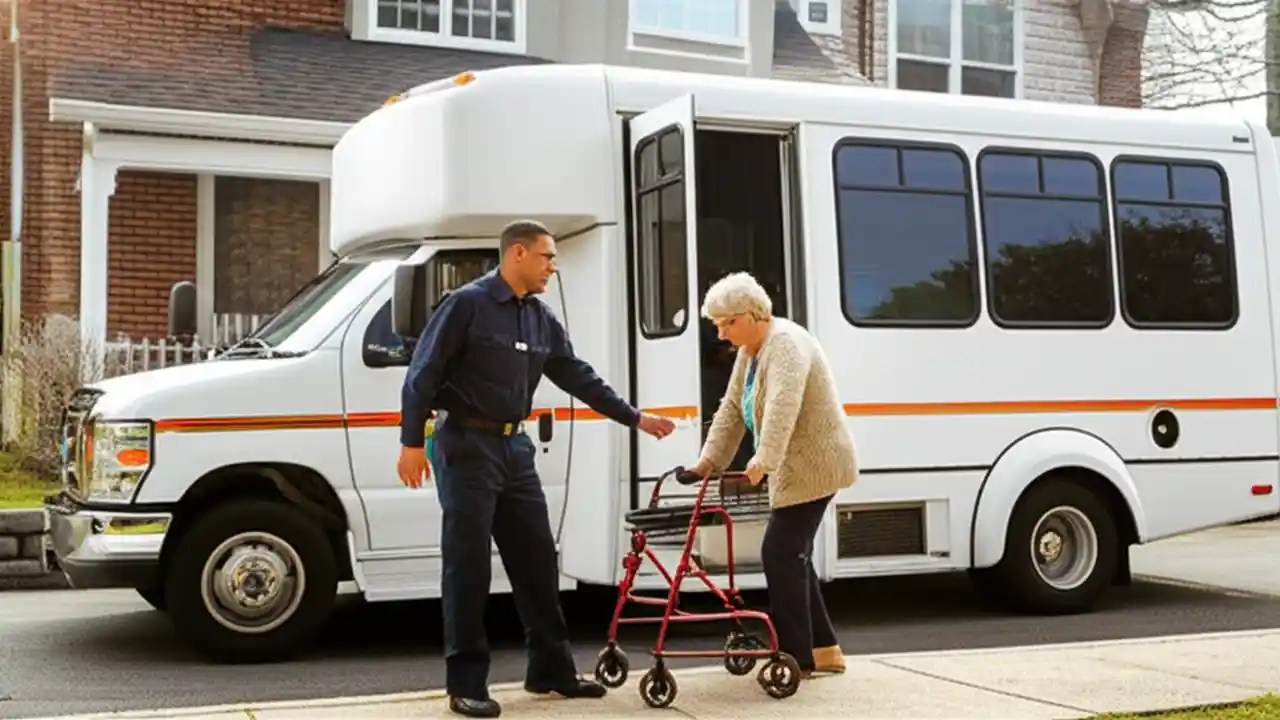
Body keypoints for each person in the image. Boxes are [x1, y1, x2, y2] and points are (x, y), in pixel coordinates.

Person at [397, 219, 676, 719]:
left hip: (513, 448)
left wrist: (635, 417)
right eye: (547, 257)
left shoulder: (538, 317)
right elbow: (423, 373)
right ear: (518, 254)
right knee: (469, 567)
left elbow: (576, 374)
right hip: (464, 444)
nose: (553, 265)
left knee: (537, 562)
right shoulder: (466, 305)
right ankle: (466, 684)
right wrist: (412, 442)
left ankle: (551, 669)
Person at [687, 271, 858, 679]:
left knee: (779, 552)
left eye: (727, 323)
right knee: (793, 555)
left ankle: (795, 656)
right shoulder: (752, 348)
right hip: (795, 467)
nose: (722, 333)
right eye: (718, 325)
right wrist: (707, 463)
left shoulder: (785, 344)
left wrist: (764, 458)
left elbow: (784, 404)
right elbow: (731, 408)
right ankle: (824, 649)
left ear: (751, 314)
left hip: (815, 465)